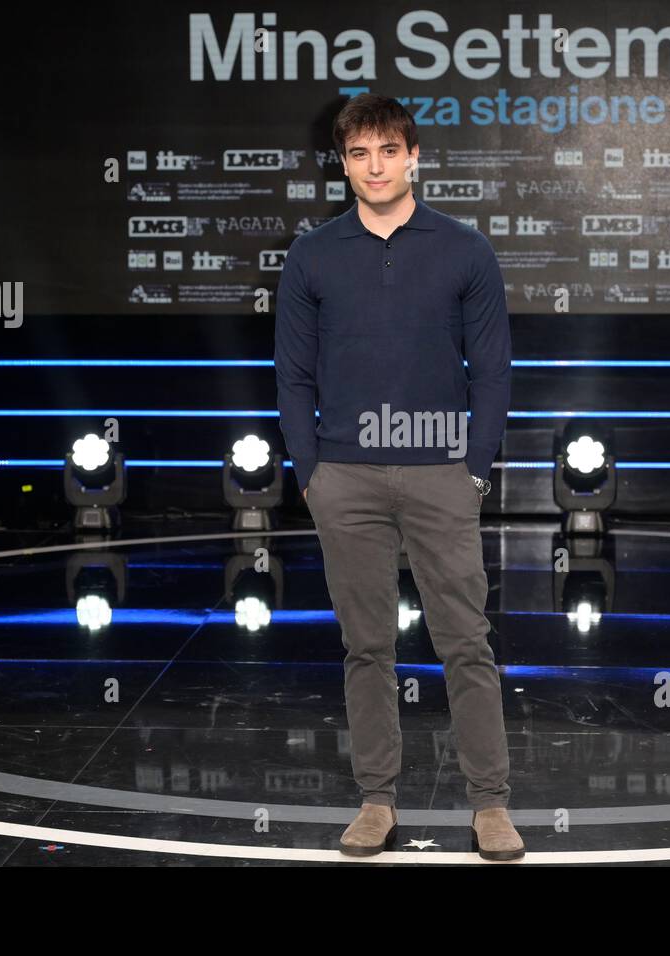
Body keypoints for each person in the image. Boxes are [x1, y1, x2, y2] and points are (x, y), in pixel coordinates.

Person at [274, 93, 523, 861]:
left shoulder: (464, 248)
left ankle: (491, 806)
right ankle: (376, 799)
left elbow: (493, 371)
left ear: (414, 156)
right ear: (343, 163)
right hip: (343, 478)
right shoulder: (313, 254)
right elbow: (292, 376)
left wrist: (474, 471)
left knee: (466, 643)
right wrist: (311, 473)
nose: (374, 167)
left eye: (388, 150)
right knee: (366, 647)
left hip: (442, 473)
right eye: (359, 154)